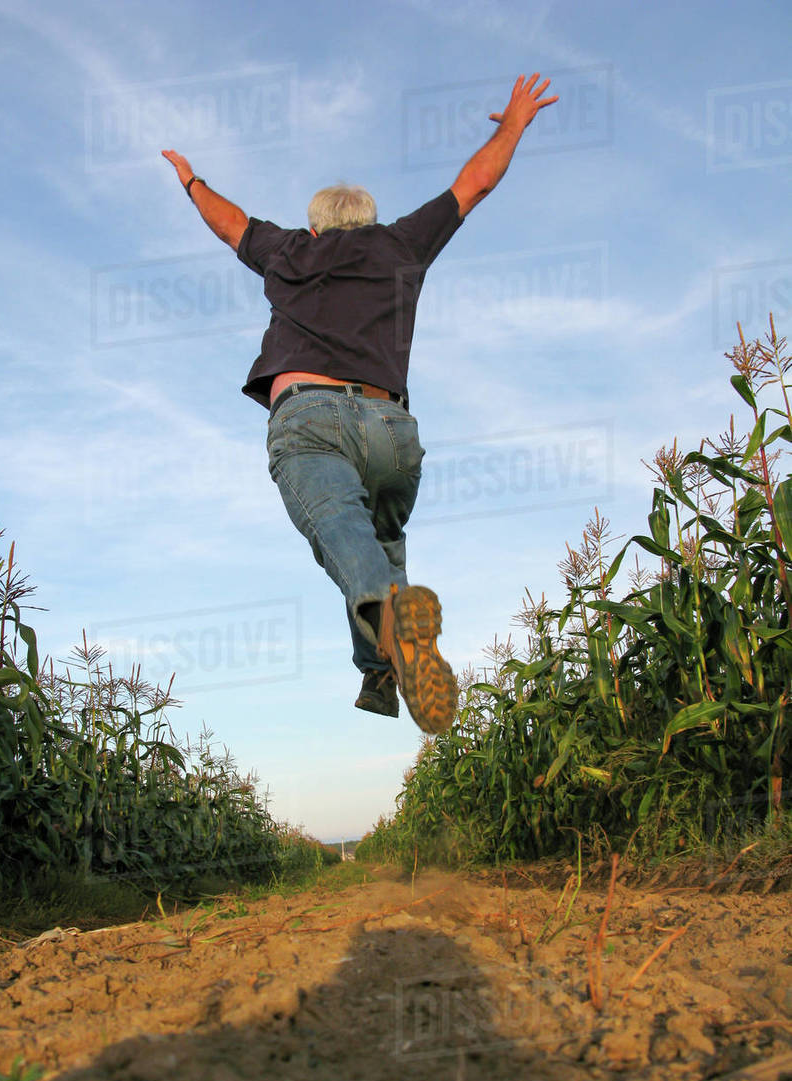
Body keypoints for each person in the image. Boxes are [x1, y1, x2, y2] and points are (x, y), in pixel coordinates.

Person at [162, 73, 558, 735]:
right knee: (377, 545)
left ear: (315, 227)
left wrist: (191, 181)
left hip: (311, 420)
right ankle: (379, 668)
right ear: (367, 221)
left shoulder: (289, 250)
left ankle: (391, 627)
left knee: (345, 540)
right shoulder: (399, 245)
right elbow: (475, 184)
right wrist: (514, 122)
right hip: (392, 434)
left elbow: (228, 224)